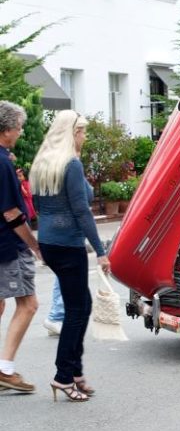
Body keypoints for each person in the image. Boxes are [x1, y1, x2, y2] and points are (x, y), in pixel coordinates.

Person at [30, 110, 110, 402]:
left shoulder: (42, 163)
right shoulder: (71, 164)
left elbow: (38, 206)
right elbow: (81, 210)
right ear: (73, 133)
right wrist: (100, 251)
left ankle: (74, 372)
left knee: (82, 306)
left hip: (50, 242)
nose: (85, 137)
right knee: (76, 312)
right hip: (68, 245)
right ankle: (63, 376)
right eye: (83, 132)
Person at [0, 101, 39, 393]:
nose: (20, 132)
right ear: (6, 130)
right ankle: (5, 369)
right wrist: (35, 246)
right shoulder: (2, 162)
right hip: (7, 245)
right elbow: (11, 213)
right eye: (18, 127)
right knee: (28, 305)